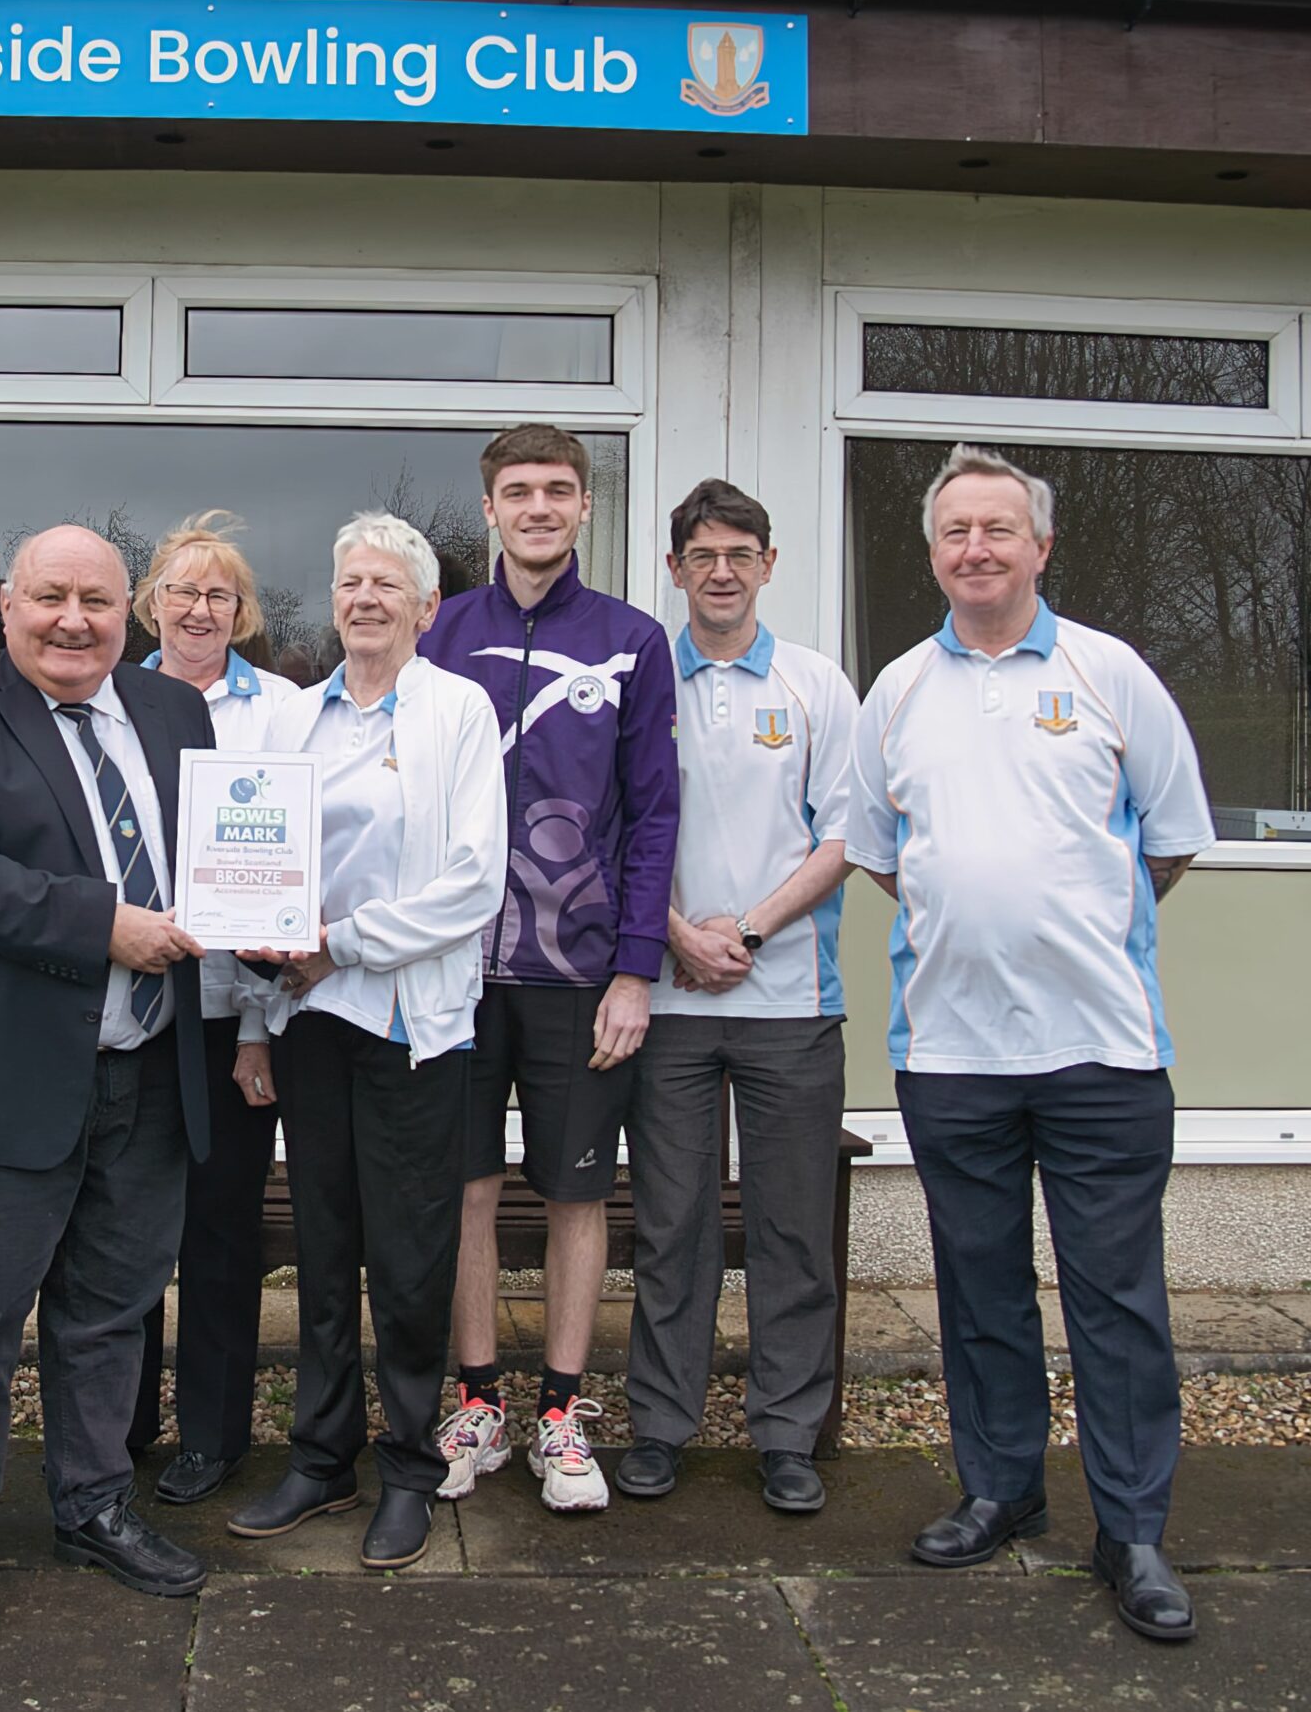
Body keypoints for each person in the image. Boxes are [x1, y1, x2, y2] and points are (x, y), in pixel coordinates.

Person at [846, 445, 1213, 1643]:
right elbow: (887, 855)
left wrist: (1073, 923)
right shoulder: (896, 688)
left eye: (997, 529)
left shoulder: (1109, 673)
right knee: (980, 1292)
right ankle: (999, 1487)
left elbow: (1168, 838)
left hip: (1100, 1051)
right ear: (932, 553)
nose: (975, 549)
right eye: (954, 532)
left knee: (1115, 1301)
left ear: (1038, 546)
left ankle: (1132, 1529)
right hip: (950, 1055)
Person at [0, 525, 215, 1635]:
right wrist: (100, 925)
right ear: (7, 603)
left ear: (132, 613)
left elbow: (214, 861)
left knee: (111, 1312)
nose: (74, 621)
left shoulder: (173, 711)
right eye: (50, 598)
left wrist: (263, 919)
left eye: (98, 601)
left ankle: (93, 1502)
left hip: (150, 1068)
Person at [225, 511, 506, 1571]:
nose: (364, 598)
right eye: (349, 581)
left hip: (406, 1024)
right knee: (325, 1244)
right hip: (307, 1021)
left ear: (427, 607)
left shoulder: (460, 712)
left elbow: (473, 883)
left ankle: (409, 1464)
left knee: (408, 1255)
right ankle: (320, 1456)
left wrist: (340, 946)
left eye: (387, 583)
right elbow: (259, 876)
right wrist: (260, 1012)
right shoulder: (291, 719)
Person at [418, 424, 678, 1514]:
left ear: (583, 508)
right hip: (454, 976)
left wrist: (635, 968)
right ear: (487, 510)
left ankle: (564, 1410)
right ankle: (477, 1397)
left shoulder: (630, 639)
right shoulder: (439, 633)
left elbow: (654, 812)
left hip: (580, 978)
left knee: (577, 1191)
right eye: (516, 490)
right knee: (467, 1189)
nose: (536, 506)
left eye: (557, 490)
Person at [622, 479, 859, 1514]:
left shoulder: (816, 684)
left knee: (790, 1229)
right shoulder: (639, 678)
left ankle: (785, 1433)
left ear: (767, 564)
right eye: (701, 555)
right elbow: (616, 825)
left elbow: (847, 834)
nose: (720, 571)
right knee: (669, 1228)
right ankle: (660, 1427)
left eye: (739, 553)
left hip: (788, 1001)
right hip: (665, 1003)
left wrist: (747, 931)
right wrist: (673, 933)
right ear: (673, 569)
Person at [125, 513, 301, 1505]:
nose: (198, 609)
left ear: (242, 613)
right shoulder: (110, 698)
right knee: (121, 1227)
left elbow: (280, 875)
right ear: (152, 603)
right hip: (128, 1013)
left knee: (220, 1232)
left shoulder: (279, 710)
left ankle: (213, 1434)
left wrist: (251, 1029)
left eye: (218, 595)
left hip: (228, 1019)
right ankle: (119, 1420)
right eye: (182, 592)